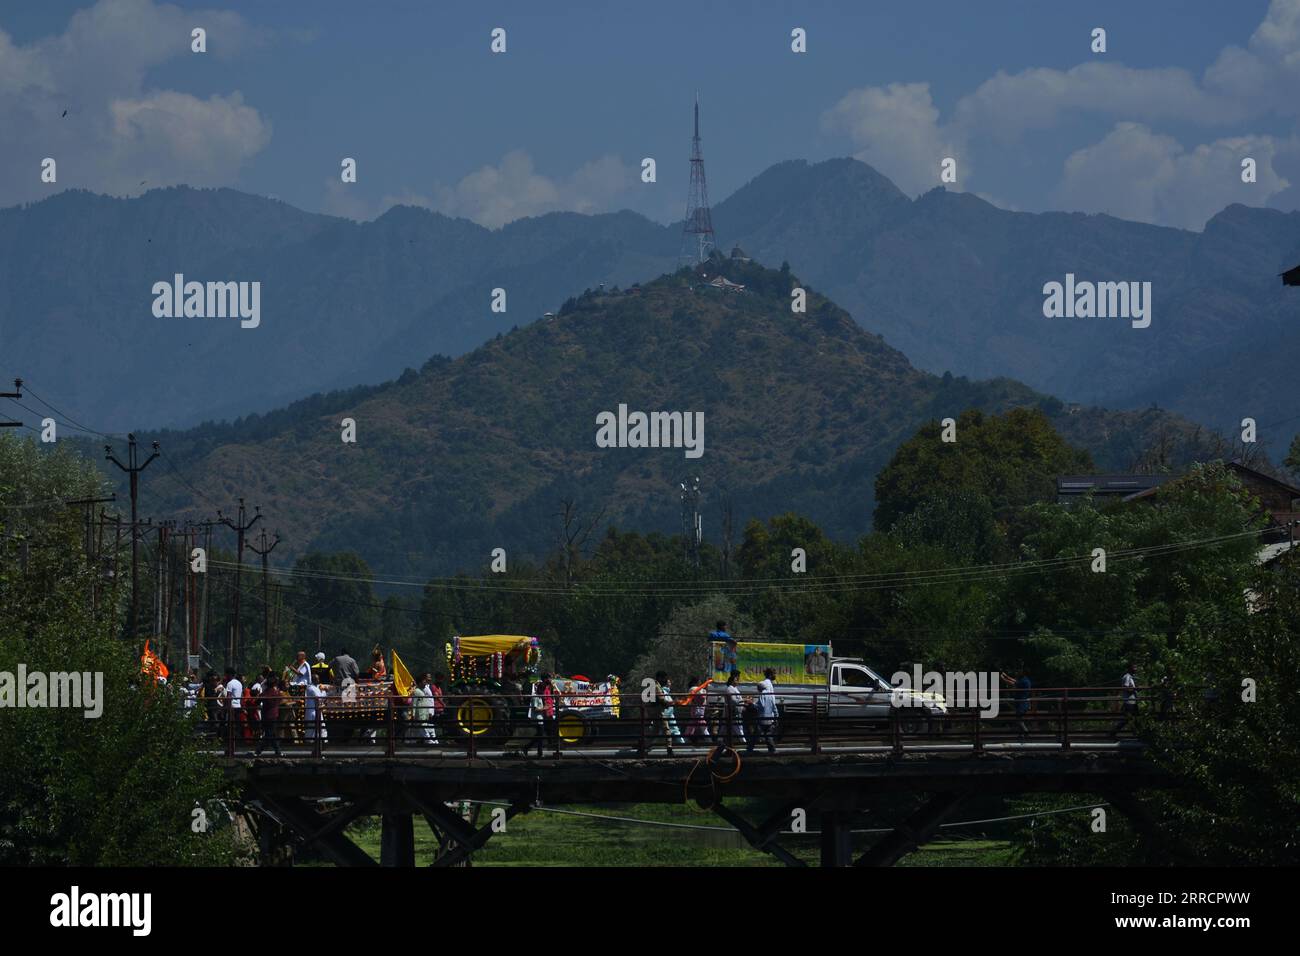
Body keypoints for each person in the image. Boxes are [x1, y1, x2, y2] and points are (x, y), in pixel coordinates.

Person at [750, 667, 779, 754]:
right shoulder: (770, 689)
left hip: (762, 717)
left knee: (756, 734)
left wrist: (752, 704)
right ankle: (772, 750)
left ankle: (750, 749)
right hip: (770, 717)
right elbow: (773, 704)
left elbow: (760, 705)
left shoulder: (763, 693)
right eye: (774, 673)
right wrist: (776, 716)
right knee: (768, 735)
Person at [654, 671, 685, 747]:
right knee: (666, 730)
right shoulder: (658, 688)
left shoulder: (657, 687)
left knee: (657, 731)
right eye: (665, 679)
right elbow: (662, 700)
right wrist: (673, 702)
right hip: (662, 713)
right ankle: (669, 748)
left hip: (662, 712)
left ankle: (645, 745)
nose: (667, 681)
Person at [255, 676, 283, 756]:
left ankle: (260, 750)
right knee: (271, 734)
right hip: (274, 715)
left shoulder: (265, 693)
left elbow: (257, 702)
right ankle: (277, 751)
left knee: (269, 734)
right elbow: (280, 700)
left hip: (266, 715)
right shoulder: (277, 693)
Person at [720, 670, 746, 747]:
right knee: (738, 729)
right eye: (736, 679)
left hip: (735, 713)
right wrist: (743, 700)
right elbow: (734, 700)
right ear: (732, 680)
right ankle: (744, 743)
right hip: (732, 713)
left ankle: (719, 741)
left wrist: (743, 702)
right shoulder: (730, 689)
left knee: (725, 729)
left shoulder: (735, 689)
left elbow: (737, 699)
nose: (738, 680)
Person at [410, 673, 438, 745]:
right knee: (422, 726)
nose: (425, 683)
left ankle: (417, 740)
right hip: (420, 712)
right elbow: (414, 703)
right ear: (419, 683)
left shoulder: (422, 690)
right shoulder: (416, 691)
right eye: (424, 682)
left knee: (422, 726)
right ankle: (428, 739)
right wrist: (413, 713)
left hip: (424, 711)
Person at [1112, 663, 1139, 736]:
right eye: (1134, 667)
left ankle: (1136, 733)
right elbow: (1126, 688)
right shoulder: (1127, 677)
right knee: (1128, 719)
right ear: (1129, 668)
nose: (1136, 669)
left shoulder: (1131, 677)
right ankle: (1114, 732)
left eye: (1136, 667)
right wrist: (1134, 689)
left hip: (1132, 701)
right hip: (1129, 702)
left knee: (1134, 718)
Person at [683, 675, 711, 744]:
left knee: (691, 727)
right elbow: (702, 697)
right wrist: (705, 691)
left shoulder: (695, 689)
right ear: (697, 681)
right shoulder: (693, 689)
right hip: (698, 711)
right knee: (702, 728)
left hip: (697, 711)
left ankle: (684, 741)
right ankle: (710, 741)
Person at [223, 668, 244, 748]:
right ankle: (235, 745)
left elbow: (228, 697)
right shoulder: (239, 683)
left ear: (229, 674)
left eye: (226, 674)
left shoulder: (230, 684)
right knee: (235, 727)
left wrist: (226, 709)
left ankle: (230, 747)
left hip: (232, 708)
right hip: (238, 707)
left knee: (230, 728)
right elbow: (241, 696)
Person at [304, 673, 326, 745]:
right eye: (318, 679)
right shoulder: (312, 688)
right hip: (313, 711)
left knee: (318, 727)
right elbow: (320, 698)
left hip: (315, 710)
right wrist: (323, 691)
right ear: (315, 680)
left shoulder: (313, 688)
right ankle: (313, 743)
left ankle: (320, 741)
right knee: (313, 727)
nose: (319, 680)